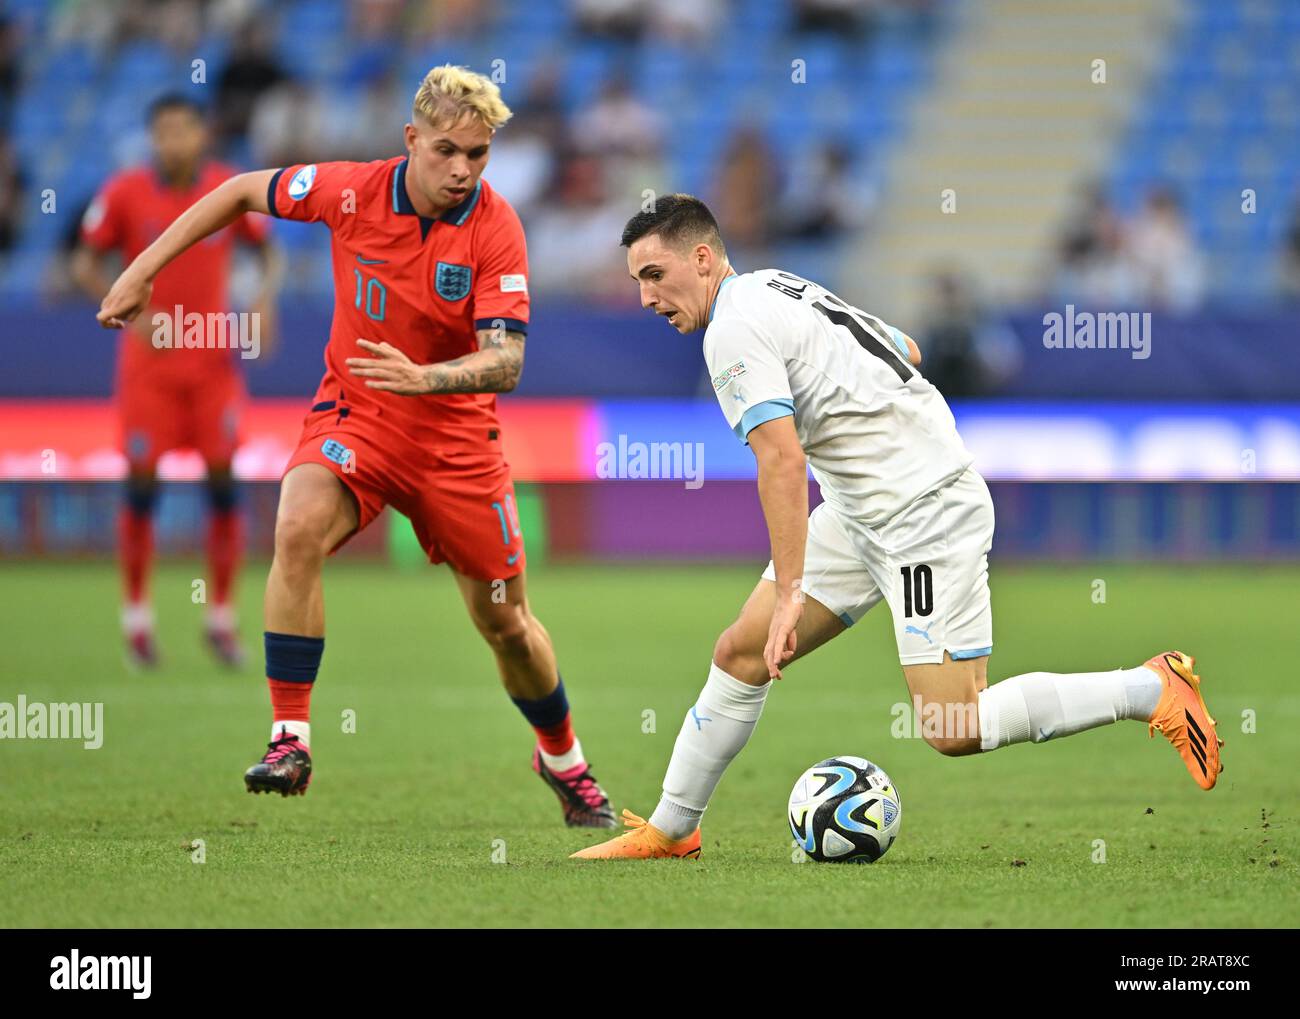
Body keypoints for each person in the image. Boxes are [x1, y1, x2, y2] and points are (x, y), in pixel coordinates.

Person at [573, 194, 1222, 861]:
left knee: (953, 722)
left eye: (654, 275)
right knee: (741, 651)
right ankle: (672, 827)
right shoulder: (774, 285)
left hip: (922, 512)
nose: (647, 297)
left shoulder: (732, 329)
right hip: (863, 508)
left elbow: (781, 458)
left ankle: (1152, 687)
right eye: (636, 282)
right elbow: (903, 345)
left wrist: (790, 591)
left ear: (702, 258)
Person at [94, 66, 617, 827]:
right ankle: (289, 736)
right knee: (297, 522)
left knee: (506, 622)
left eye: (478, 154)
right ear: (412, 141)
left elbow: (507, 361)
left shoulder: (495, 227)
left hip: (456, 443)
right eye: (447, 150)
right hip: (358, 416)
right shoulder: (347, 190)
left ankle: (564, 760)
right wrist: (141, 270)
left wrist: (427, 376)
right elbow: (241, 190)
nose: (463, 169)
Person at [72, 92, 282, 668]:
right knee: (142, 491)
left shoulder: (227, 190)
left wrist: (263, 303)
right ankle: (137, 619)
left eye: (184, 130)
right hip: (150, 375)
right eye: (163, 131)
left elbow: (268, 254)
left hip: (212, 368)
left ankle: (220, 618)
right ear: (152, 139)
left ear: (201, 135)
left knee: (223, 487)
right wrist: (120, 308)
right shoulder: (124, 194)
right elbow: (84, 261)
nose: (174, 141)